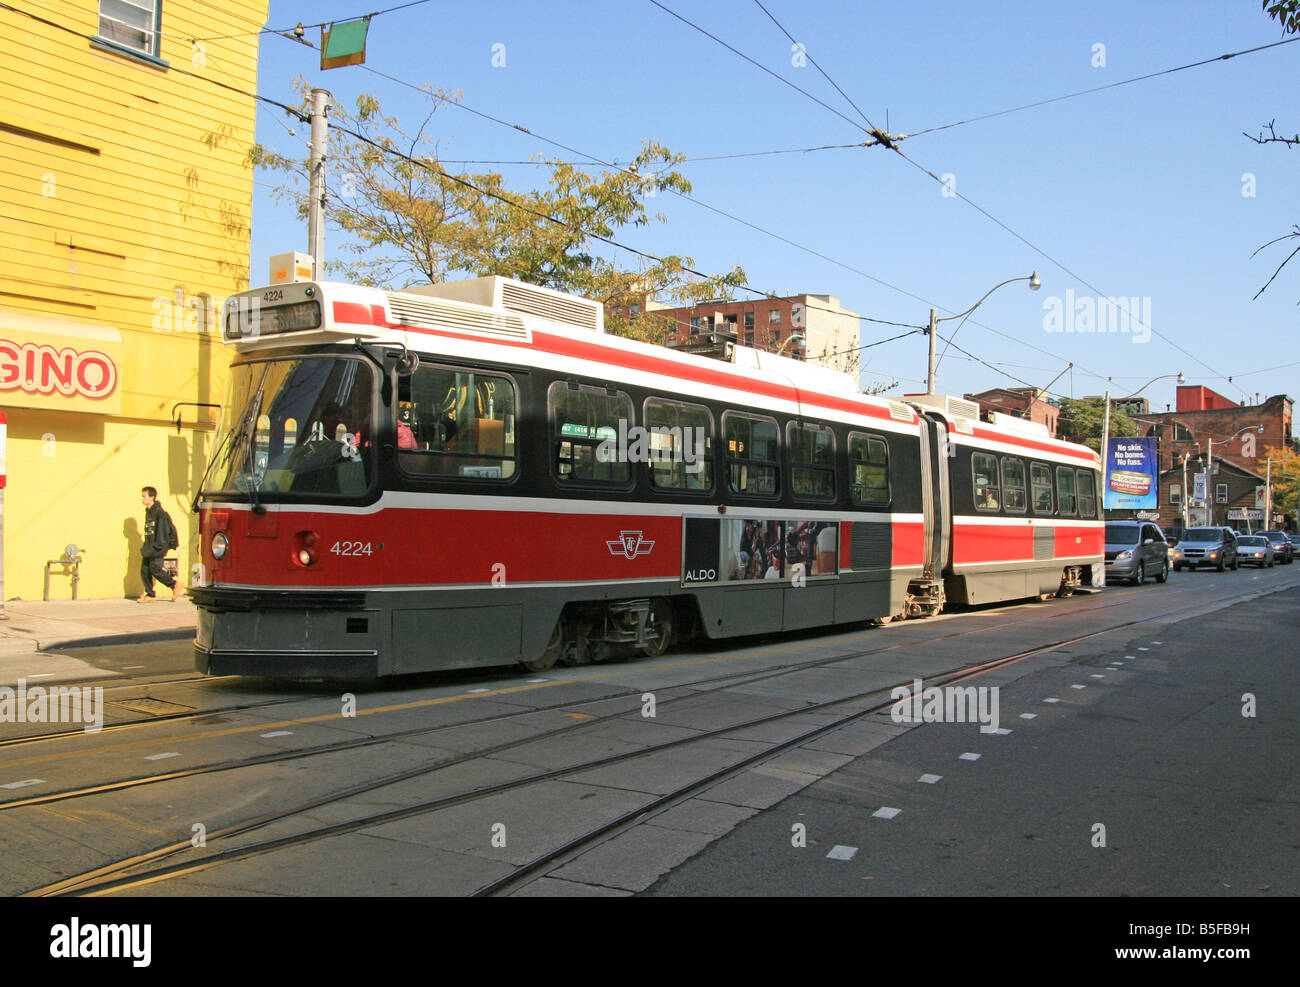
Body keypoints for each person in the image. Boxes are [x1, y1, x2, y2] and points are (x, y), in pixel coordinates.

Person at [138, 486, 182, 602]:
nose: (142, 499)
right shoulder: (149, 512)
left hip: (158, 547)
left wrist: (158, 547)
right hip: (149, 547)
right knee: (144, 570)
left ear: (152, 497)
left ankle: (175, 585)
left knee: (155, 569)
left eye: (144, 496)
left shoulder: (159, 513)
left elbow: (163, 531)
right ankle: (150, 595)